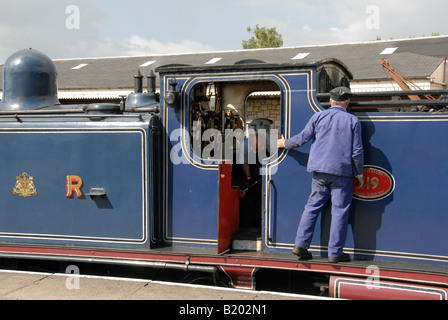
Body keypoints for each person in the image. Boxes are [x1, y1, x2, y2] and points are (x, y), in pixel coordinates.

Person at [277, 87, 364, 263]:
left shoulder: (318, 116)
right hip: (342, 173)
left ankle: (301, 245)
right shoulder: (353, 121)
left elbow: (301, 139)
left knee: (312, 207)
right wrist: (359, 174)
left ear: (331, 101)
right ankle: (335, 253)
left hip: (320, 171)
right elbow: (357, 152)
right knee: (339, 211)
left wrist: (284, 143)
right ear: (347, 103)